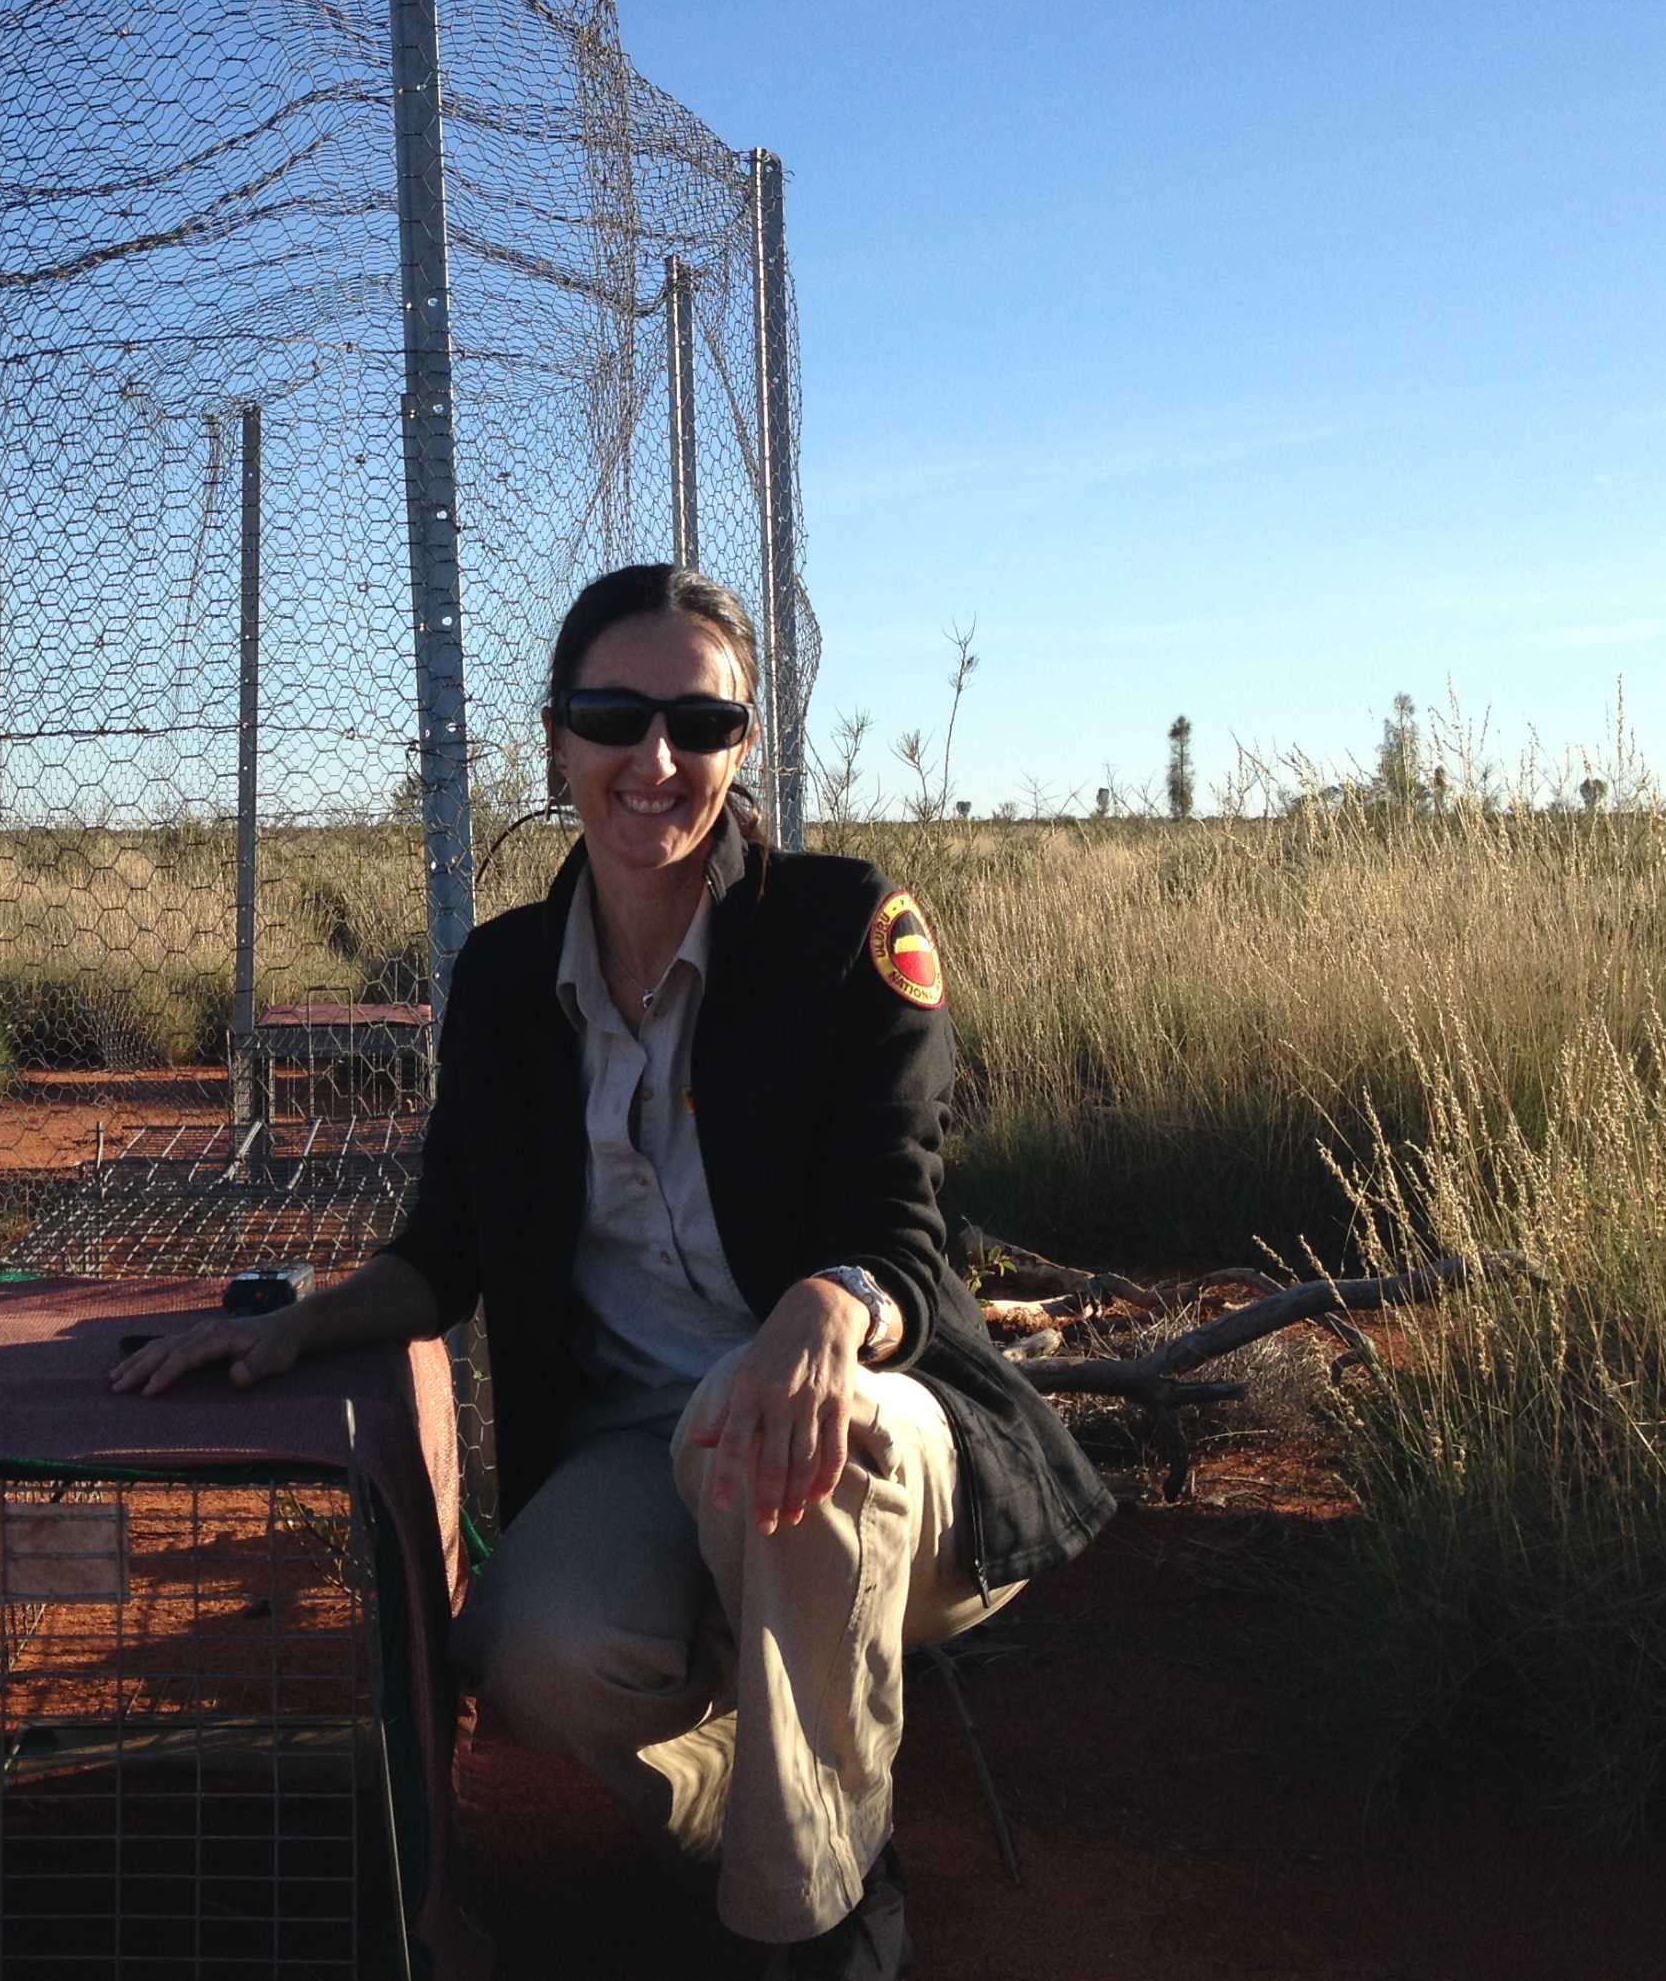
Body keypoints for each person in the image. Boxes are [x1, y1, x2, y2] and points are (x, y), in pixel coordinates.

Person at [111, 563, 1114, 1977]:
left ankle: (818, 1925)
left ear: (745, 746)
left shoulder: (846, 932)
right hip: (645, 1444)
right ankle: (771, 1796)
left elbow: (903, 1224)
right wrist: (307, 1326)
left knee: (764, 1430)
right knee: (535, 1651)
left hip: (878, 1425)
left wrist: (828, 1306)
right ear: (559, 740)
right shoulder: (509, 978)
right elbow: (446, 1253)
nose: (656, 760)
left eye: (700, 726)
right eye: (612, 715)